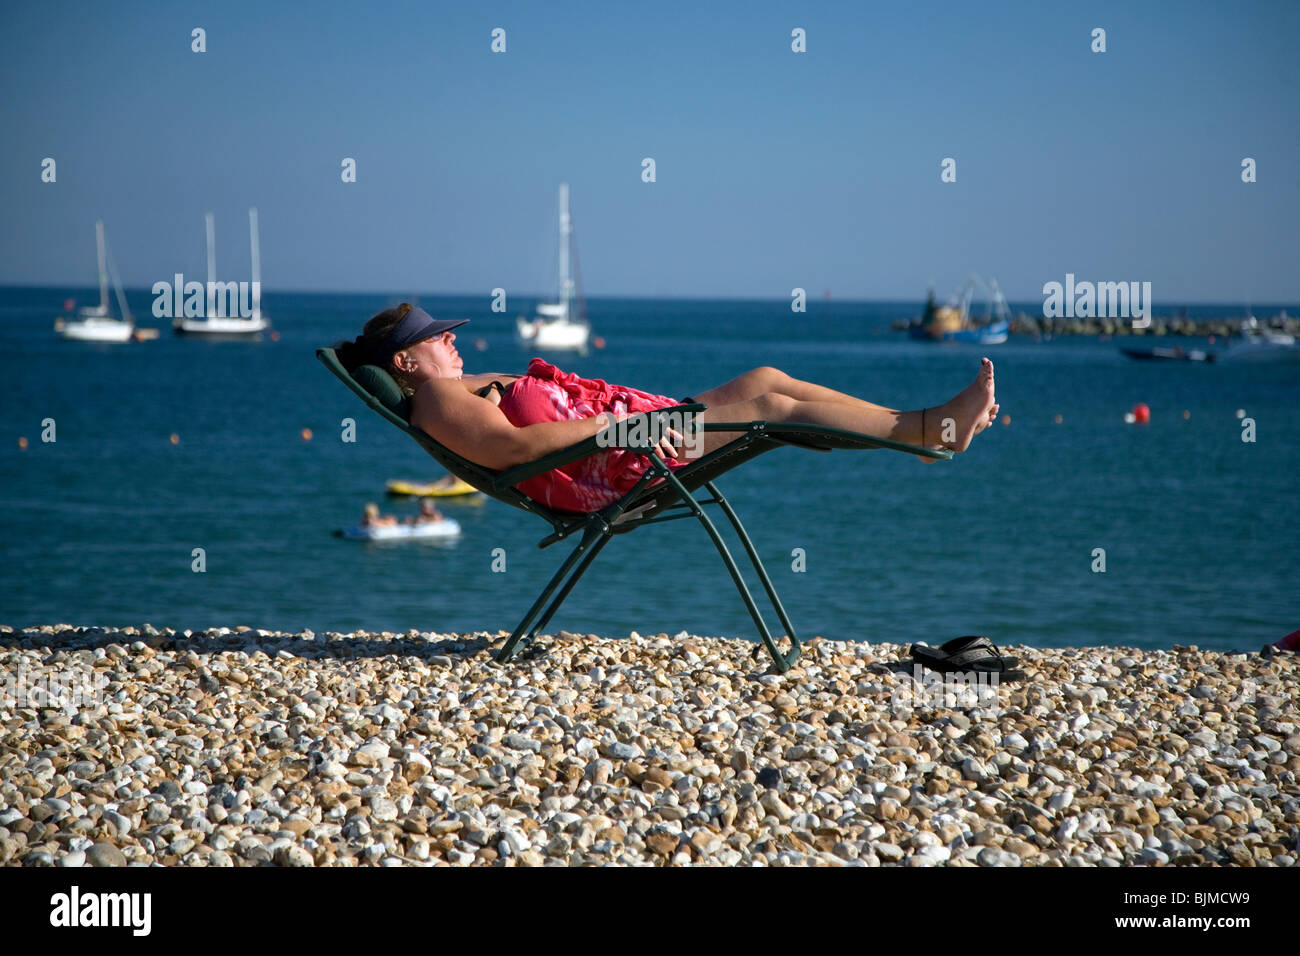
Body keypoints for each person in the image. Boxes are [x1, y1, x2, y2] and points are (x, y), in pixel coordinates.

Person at [334, 304, 999, 513]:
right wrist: (622, 426)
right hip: (620, 459)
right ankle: (929, 433)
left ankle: (926, 426)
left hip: (632, 436)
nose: (451, 340)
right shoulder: (442, 400)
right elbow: (514, 453)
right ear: (404, 363)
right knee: (771, 404)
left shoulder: (459, 383)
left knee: (765, 377)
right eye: (436, 338)